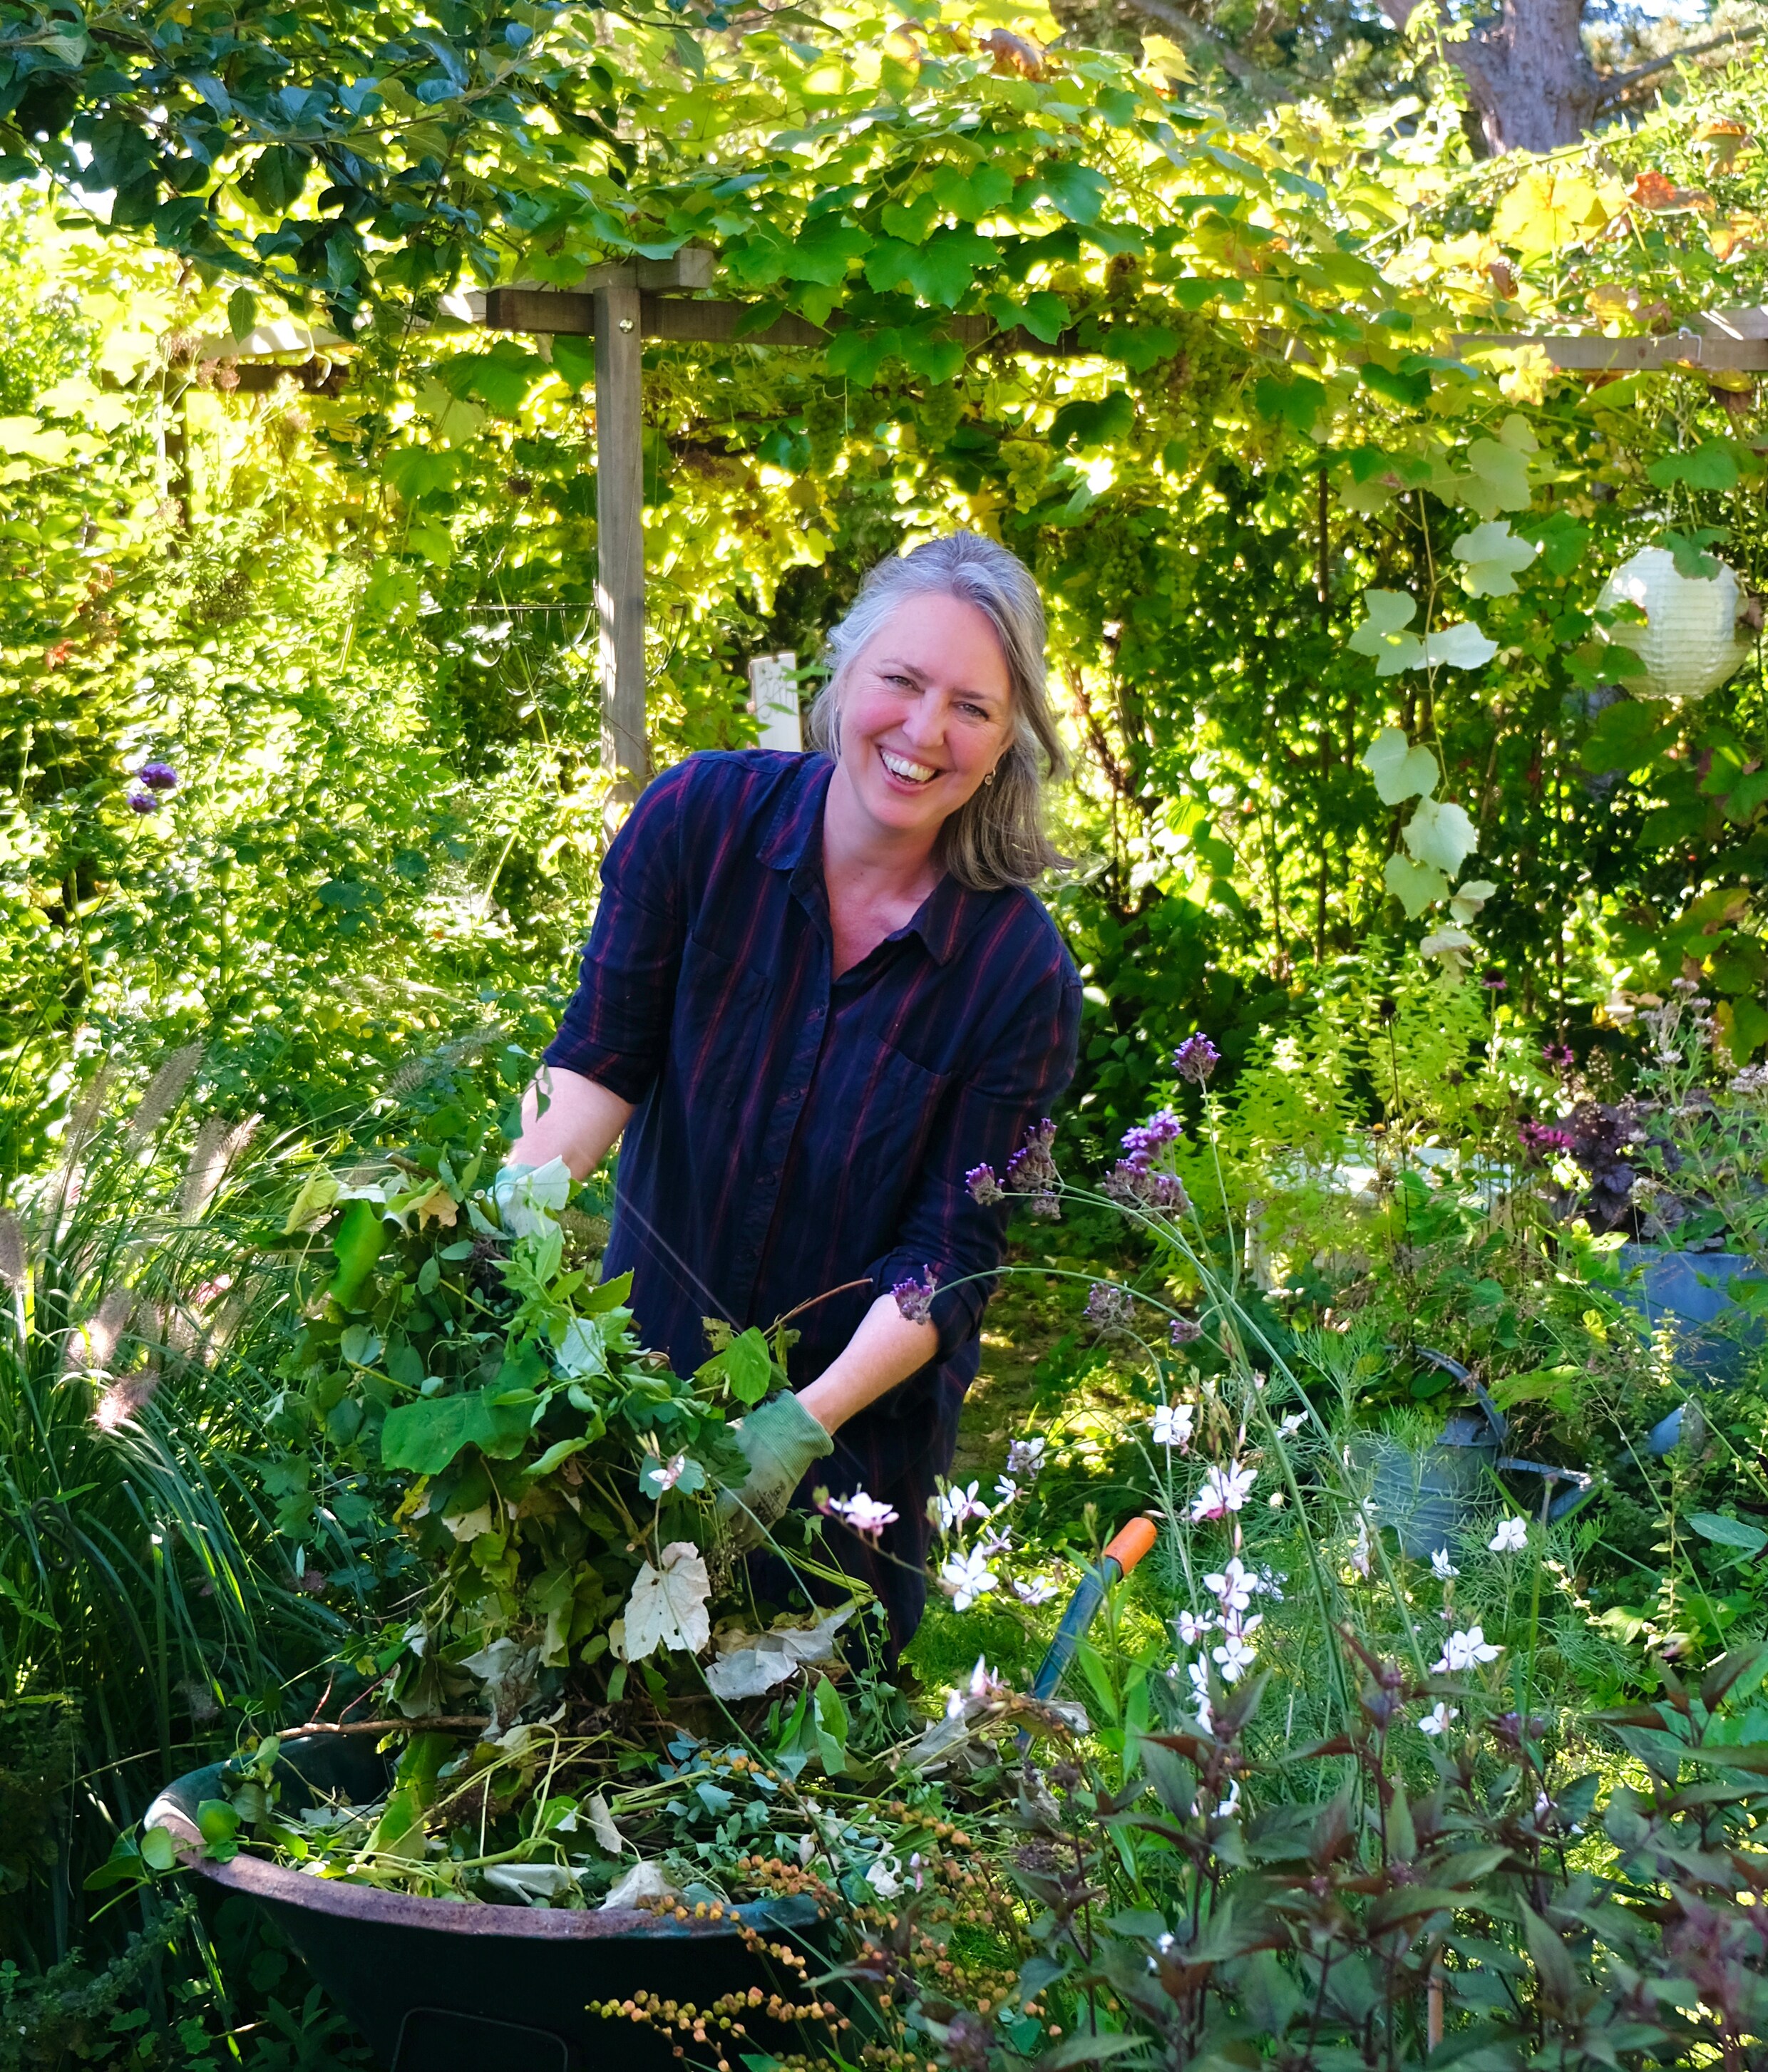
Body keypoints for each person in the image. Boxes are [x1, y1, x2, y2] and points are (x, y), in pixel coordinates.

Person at [504, 531, 1081, 1656]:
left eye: (971, 705)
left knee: (785, 1806)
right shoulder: (699, 828)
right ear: (842, 675)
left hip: (839, 1491)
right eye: (902, 683)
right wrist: (489, 1242)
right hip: (628, 1424)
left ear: (1008, 736)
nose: (924, 733)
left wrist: (790, 1430)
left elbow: (947, 1260)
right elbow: (595, 1072)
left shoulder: (1018, 973)